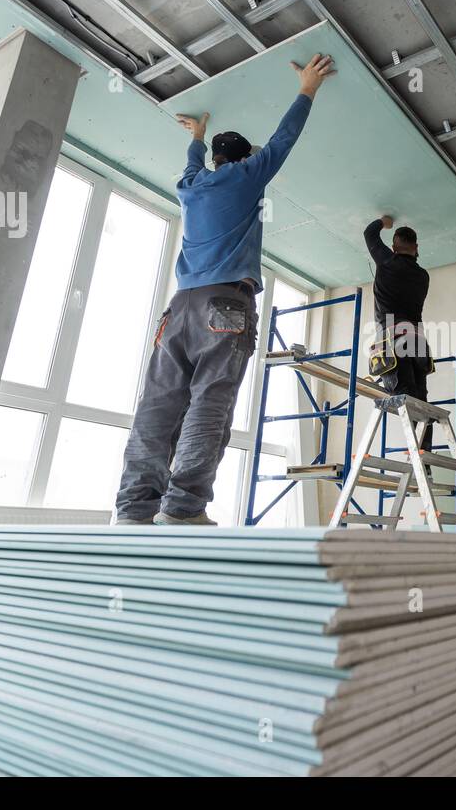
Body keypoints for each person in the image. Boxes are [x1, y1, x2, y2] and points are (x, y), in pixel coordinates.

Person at [114, 54, 336, 524]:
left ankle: (134, 510)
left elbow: (192, 162)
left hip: (178, 310)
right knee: (209, 404)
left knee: (158, 403)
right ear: (243, 157)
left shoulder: (190, 185)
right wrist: (307, 87)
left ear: (215, 158)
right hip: (225, 305)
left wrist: (196, 135)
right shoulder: (248, 175)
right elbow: (284, 139)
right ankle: (182, 510)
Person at [363, 214, 433, 452]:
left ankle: (416, 454)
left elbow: (369, 234)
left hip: (393, 339)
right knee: (421, 401)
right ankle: (425, 455)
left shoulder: (387, 262)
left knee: (403, 395)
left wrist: (384, 221)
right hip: (417, 341)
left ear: (394, 247)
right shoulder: (423, 276)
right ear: (416, 248)